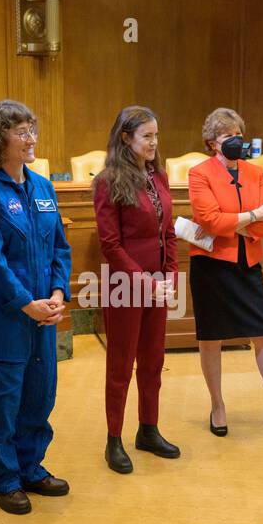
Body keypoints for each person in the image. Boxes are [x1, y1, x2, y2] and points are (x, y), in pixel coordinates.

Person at [0, 100, 73, 514]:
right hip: (9, 317)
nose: (31, 139)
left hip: (45, 315)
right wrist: (27, 304)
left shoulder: (43, 187)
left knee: (40, 395)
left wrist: (59, 294)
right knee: (3, 401)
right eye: (21, 132)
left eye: (32, 130)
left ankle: (31, 466)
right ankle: (4, 478)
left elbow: (60, 246)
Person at [187, 107, 263, 437]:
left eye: (239, 135)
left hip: (247, 264)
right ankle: (218, 406)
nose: (236, 142)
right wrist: (250, 216)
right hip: (211, 266)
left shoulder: (255, 173)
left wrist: (235, 221)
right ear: (212, 143)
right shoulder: (200, 173)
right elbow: (209, 220)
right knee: (211, 338)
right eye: (228, 137)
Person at [92, 106, 181, 473]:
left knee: (153, 362)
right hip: (124, 286)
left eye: (156, 136)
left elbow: (169, 232)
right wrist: (144, 281)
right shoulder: (108, 181)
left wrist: (171, 276)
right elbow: (110, 245)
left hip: (158, 285)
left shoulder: (157, 175)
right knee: (120, 365)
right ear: (126, 138)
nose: (154, 143)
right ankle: (114, 439)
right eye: (147, 137)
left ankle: (148, 429)